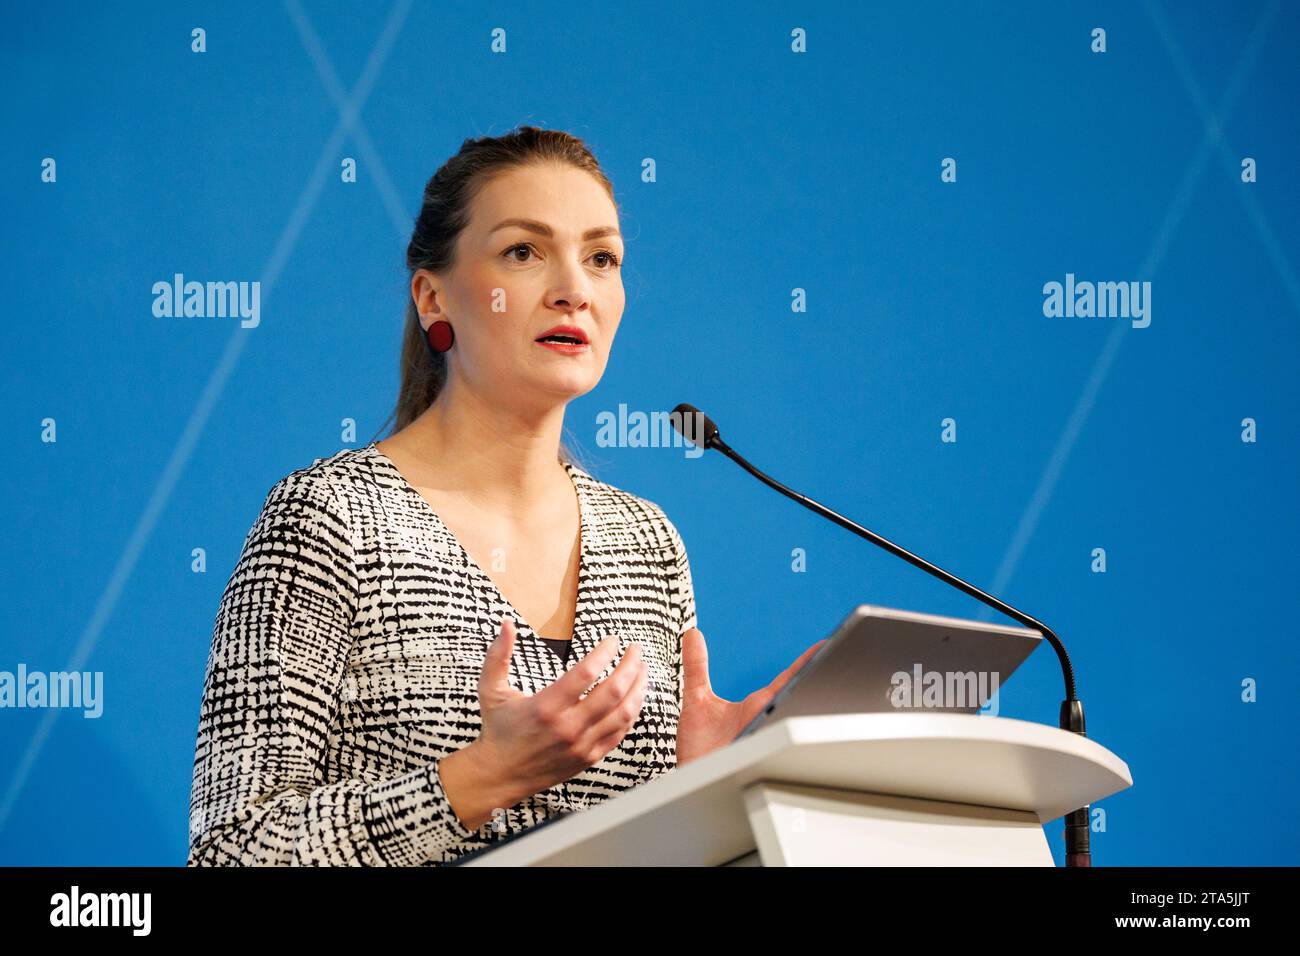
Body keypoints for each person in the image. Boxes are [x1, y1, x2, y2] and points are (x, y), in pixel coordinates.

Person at [186, 126, 823, 866]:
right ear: (432, 296)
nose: (573, 290)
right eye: (523, 251)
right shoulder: (331, 519)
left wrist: (702, 788)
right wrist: (481, 778)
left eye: (601, 258)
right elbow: (231, 852)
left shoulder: (647, 542)